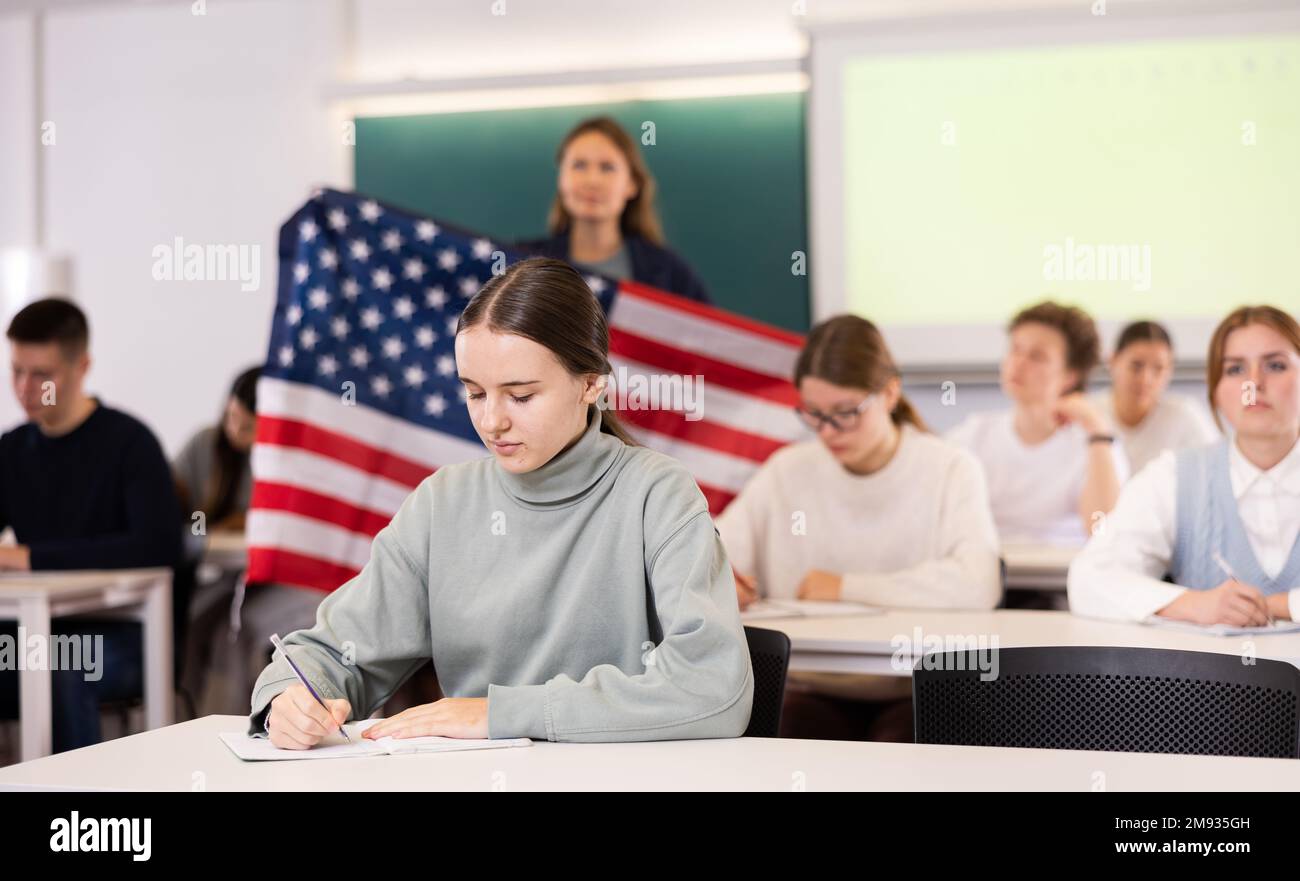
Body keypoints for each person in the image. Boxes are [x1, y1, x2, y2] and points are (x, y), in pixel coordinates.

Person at [249, 257, 751, 747]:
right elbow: (334, 654)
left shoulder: (656, 493)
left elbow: (712, 686)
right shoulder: (441, 503)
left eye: (521, 396)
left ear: (591, 385)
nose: (492, 422)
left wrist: (501, 715)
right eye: (474, 393)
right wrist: (289, 702)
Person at [717, 314, 1000, 741]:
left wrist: (844, 586)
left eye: (845, 413)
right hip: (811, 683)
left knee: (900, 747)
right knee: (788, 738)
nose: (828, 431)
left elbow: (979, 582)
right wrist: (719, 580)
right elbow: (712, 550)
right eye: (814, 414)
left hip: (915, 687)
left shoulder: (951, 469)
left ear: (889, 393)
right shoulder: (787, 470)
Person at [0, 298, 181, 752]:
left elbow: (156, 547)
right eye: (16, 371)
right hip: (36, 629)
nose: (25, 387)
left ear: (82, 366)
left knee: (62, 665)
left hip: (127, 633)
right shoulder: (10, 450)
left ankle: (76, 811)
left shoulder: (130, 443)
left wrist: (31, 558)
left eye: (41, 374)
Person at [1069, 305, 1300, 626]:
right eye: (1235, 369)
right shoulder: (1174, 476)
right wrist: (1193, 604)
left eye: (1275, 365)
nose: (1254, 384)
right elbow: (1089, 577)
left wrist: (1276, 606)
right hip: (1216, 677)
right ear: (1216, 391)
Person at [947, 301, 1127, 546]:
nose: (1018, 363)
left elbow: (1103, 532)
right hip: (988, 574)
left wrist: (1097, 431)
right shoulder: (975, 434)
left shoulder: (1097, 445)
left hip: (1061, 577)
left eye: (1037, 356)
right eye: (1015, 350)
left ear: (1069, 375)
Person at [518, 116, 712, 303]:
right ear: (561, 178)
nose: (592, 180)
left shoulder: (670, 273)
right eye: (579, 165)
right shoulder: (522, 265)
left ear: (632, 184)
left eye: (607, 167)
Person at [1092, 320, 1217, 475]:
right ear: (1113, 361)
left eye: (1158, 369)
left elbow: (1216, 472)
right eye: (1136, 366)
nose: (1146, 379)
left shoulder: (1184, 415)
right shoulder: (1090, 413)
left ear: (1170, 370)